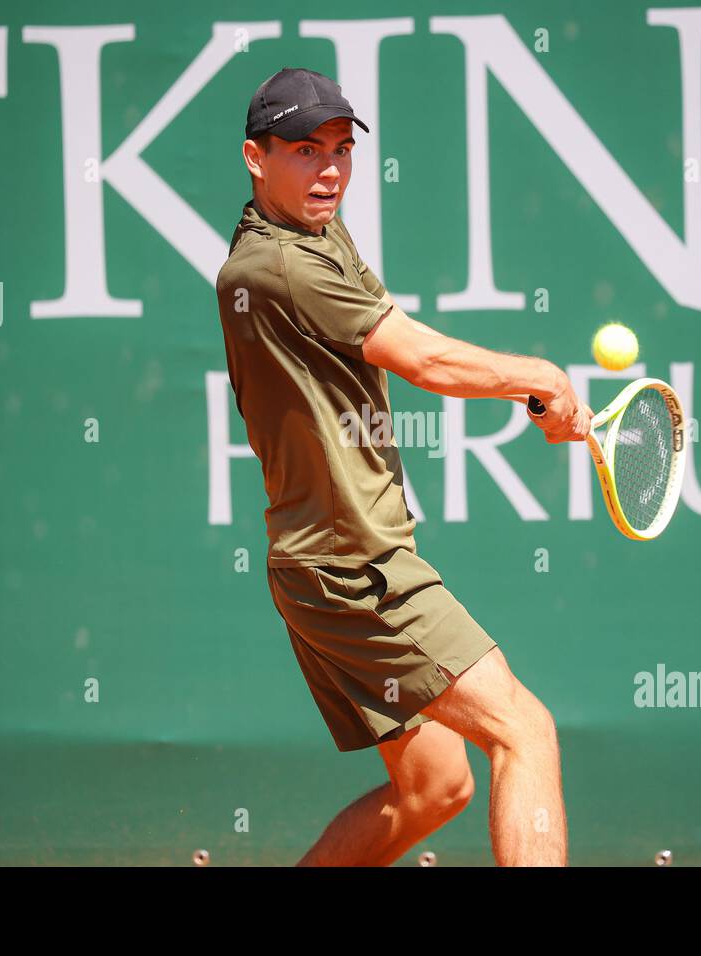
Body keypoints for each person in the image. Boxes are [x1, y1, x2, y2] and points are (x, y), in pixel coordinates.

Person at [215, 67, 593, 866]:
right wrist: (542, 379)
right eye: (305, 151)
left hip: (327, 565)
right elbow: (419, 358)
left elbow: (400, 335)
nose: (330, 171)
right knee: (525, 730)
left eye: (343, 150)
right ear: (255, 156)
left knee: (434, 790)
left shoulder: (318, 233)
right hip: (352, 570)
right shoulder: (278, 266)